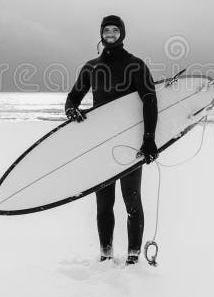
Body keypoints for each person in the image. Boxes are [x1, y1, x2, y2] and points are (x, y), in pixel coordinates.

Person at [64, 15, 158, 265]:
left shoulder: (135, 65)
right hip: (102, 144)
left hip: (129, 143)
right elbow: (73, 98)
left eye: (115, 30)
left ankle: (133, 256)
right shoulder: (91, 67)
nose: (111, 34)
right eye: (107, 30)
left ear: (122, 33)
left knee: (132, 200)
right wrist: (72, 110)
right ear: (101, 34)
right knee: (104, 203)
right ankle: (106, 254)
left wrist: (149, 139)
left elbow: (150, 100)